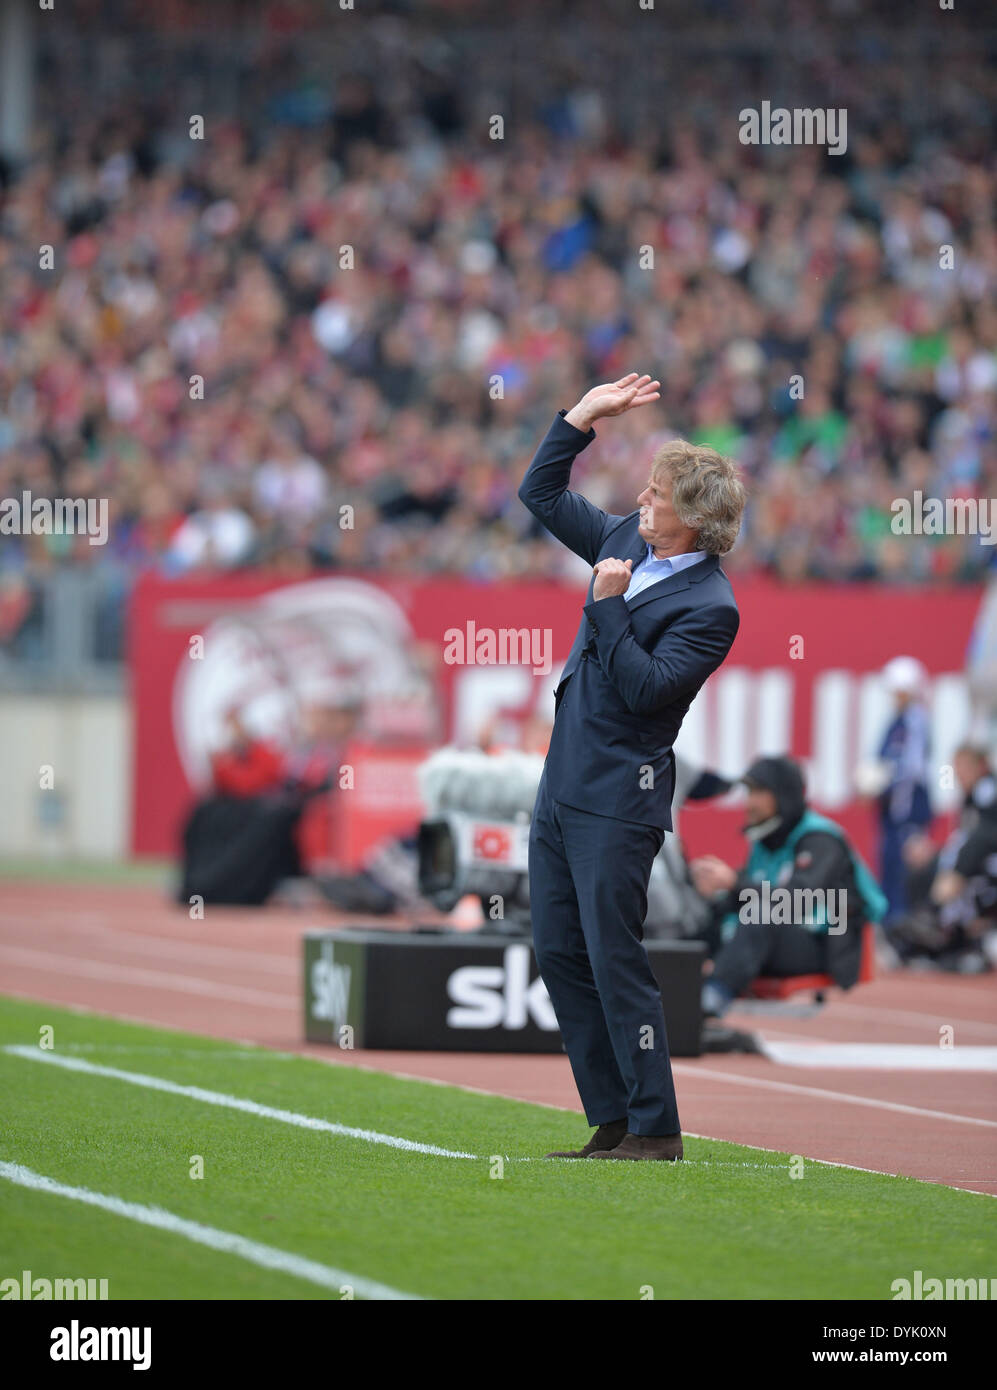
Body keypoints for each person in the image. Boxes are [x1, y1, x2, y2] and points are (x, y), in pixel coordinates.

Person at [518, 373, 746, 1162]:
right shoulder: (622, 541)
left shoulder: (711, 608)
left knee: (615, 959)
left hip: (618, 798)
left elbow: (647, 690)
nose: (640, 501)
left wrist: (608, 607)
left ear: (693, 521)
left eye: (656, 496)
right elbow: (541, 494)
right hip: (560, 785)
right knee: (556, 953)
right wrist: (580, 417)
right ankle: (609, 1118)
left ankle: (657, 1128)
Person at [691, 757, 887, 1021]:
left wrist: (733, 883)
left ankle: (707, 1001)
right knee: (699, 914)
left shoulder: (821, 840)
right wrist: (704, 894)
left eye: (759, 792)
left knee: (760, 915)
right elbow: (744, 895)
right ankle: (673, 991)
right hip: (775, 938)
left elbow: (795, 902)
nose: (749, 802)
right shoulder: (765, 838)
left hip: (823, 945)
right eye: (749, 792)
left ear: (783, 795)